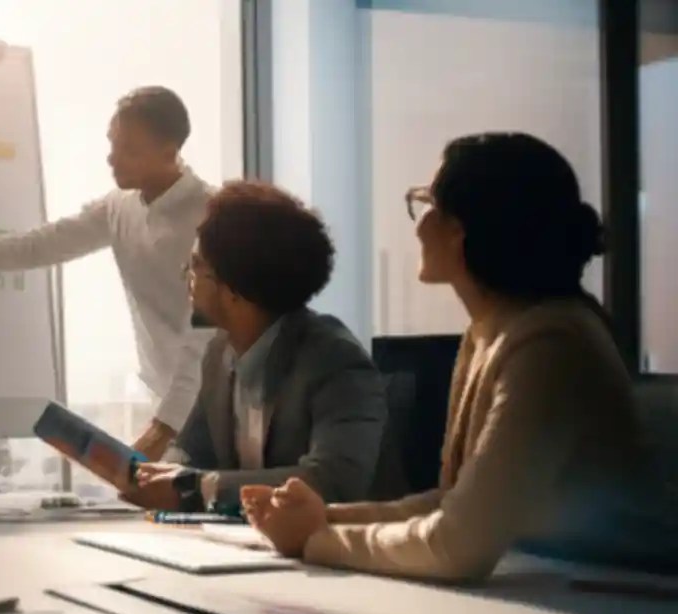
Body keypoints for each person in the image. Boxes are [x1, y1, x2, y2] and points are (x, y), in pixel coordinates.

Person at [242, 133, 643, 582]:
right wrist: (324, 517)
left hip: (616, 601)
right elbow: (453, 503)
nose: (419, 226)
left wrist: (314, 539)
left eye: (429, 204)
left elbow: (457, 545)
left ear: (463, 230)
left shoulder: (552, 343)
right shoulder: (493, 330)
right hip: (552, 588)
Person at [0, 86, 214, 460]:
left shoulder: (210, 214)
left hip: (214, 403)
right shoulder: (119, 207)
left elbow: (204, 337)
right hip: (168, 400)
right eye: (112, 143)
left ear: (169, 153)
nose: (112, 158)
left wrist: (164, 427)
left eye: (129, 149)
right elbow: (42, 244)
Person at [120, 181, 390, 513]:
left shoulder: (335, 361)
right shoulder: (219, 353)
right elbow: (191, 451)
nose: (185, 275)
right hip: (250, 541)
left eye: (196, 265)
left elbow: (332, 480)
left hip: (339, 543)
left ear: (235, 289)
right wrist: (156, 475)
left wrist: (200, 488)